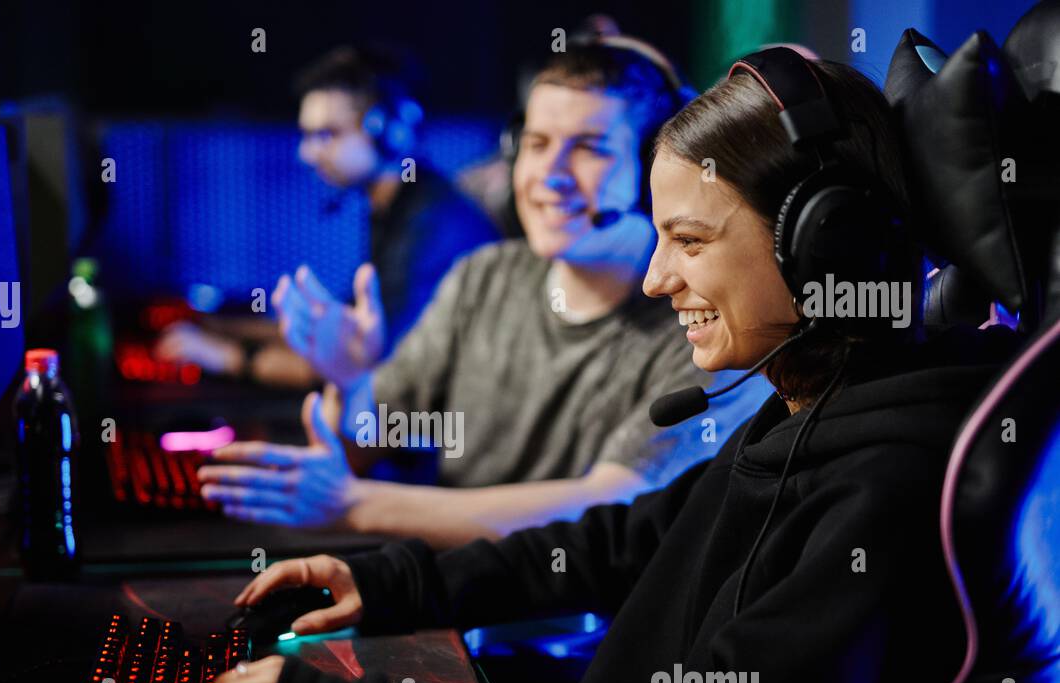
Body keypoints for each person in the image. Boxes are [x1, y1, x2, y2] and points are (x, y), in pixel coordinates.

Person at [192, 50, 1018, 683]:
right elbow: (629, 537)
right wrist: (392, 581)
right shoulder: (813, 409)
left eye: (689, 242)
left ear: (821, 248)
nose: (659, 279)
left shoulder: (885, 482)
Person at [198, 37, 772, 548]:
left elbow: (612, 506)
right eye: (538, 142)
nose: (550, 175)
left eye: (590, 147)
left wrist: (356, 505)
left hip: (567, 651)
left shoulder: (702, 327)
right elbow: (361, 446)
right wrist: (350, 381)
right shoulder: (484, 278)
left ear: (658, 169)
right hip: (441, 605)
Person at [156, 44, 497, 388]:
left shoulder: (432, 225)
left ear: (389, 132)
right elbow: (343, 328)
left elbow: (366, 364)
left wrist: (226, 356)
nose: (307, 153)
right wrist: (219, 327)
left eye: (327, 135)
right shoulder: (397, 209)